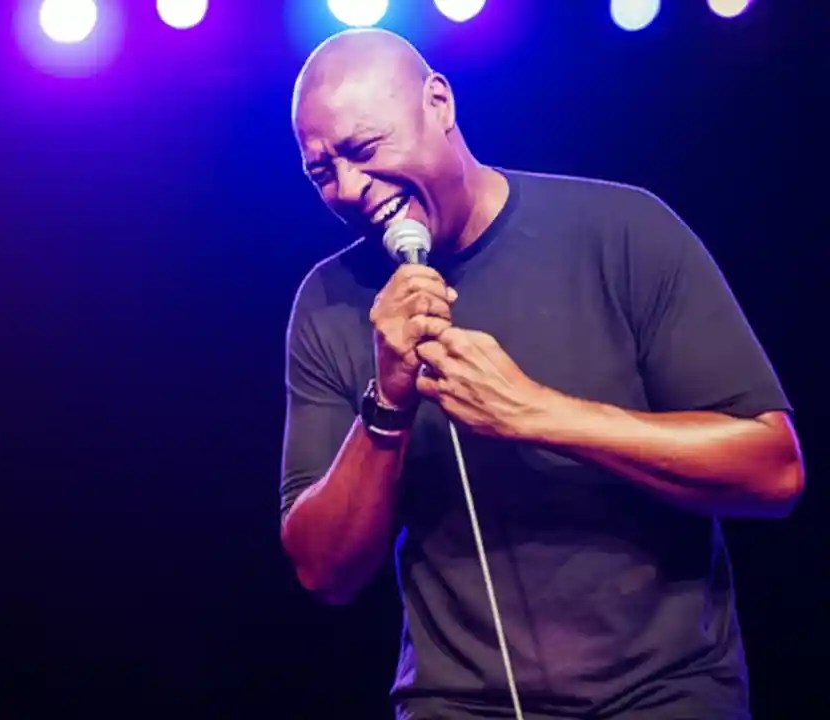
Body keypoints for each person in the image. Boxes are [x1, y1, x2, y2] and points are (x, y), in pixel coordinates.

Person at [278, 28, 804, 719]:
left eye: (365, 150)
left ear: (438, 103)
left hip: (664, 695)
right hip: (458, 704)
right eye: (322, 171)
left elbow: (772, 471)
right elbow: (323, 570)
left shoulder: (621, 229)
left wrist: (535, 413)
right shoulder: (331, 301)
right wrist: (388, 403)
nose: (348, 189)